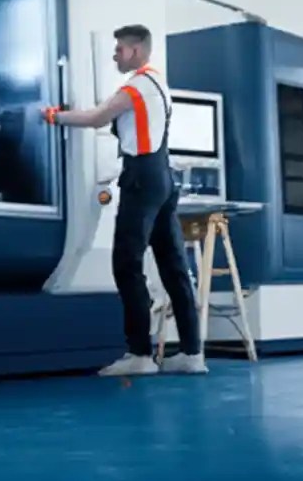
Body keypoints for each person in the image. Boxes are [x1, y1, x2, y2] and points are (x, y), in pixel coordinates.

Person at [43, 25, 207, 377]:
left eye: (119, 49)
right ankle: (193, 353)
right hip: (163, 176)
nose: (115, 54)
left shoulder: (135, 87)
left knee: (126, 262)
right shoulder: (159, 83)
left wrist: (56, 117)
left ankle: (139, 354)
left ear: (135, 51)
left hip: (141, 178)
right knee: (173, 265)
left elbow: (96, 118)